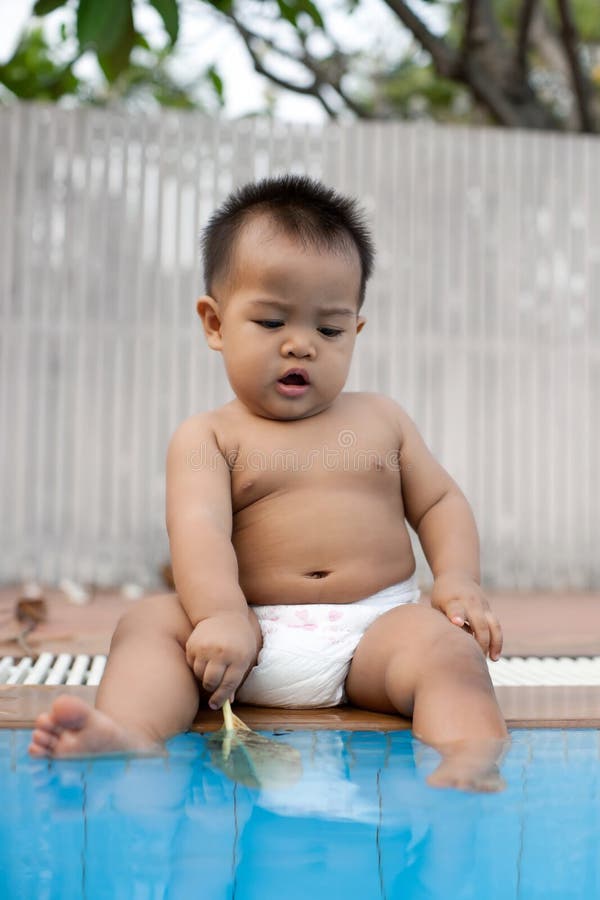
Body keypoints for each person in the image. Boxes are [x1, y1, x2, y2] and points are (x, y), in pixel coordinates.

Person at [30, 175, 508, 790]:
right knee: (149, 626)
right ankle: (128, 731)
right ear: (215, 323)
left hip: (374, 632)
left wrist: (458, 580)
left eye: (329, 330)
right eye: (272, 320)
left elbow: (440, 501)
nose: (300, 345)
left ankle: (467, 755)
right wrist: (222, 615)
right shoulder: (209, 437)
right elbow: (198, 529)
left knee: (448, 653)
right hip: (244, 637)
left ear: (355, 333)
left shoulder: (382, 420)